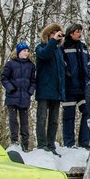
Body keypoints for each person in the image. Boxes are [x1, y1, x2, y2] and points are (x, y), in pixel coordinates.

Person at [59, 24, 90, 149]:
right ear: (71, 33)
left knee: (87, 112)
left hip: (83, 87)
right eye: (77, 31)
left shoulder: (83, 47)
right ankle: (69, 143)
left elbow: (88, 65)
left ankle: (84, 142)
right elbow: (62, 66)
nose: (80, 34)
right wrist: (67, 75)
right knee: (69, 115)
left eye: (81, 31)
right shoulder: (64, 47)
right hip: (69, 87)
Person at [35, 23, 66, 154]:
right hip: (44, 89)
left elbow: (61, 71)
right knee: (41, 118)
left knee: (54, 121)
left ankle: (51, 145)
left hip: (57, 90)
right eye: (54, 33)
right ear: (48, 34)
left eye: (58, 33)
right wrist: (53, 41)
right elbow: (45, 54)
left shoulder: (59, 51)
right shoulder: (40, 47)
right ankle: (42, 145)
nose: (56, 36)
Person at [0, 42, 36, 150]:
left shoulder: (31, 65)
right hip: (12, 97)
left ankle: (25, 144)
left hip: (25, 98)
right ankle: (14, 141)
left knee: (24, 122)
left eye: (27, 51)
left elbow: (33, 81)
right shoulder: (10, 64)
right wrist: (10, 88)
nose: (26, 53)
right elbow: (4, 78)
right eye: (24, 51)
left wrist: (30, 91)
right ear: (19, 52)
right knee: (13, 120)